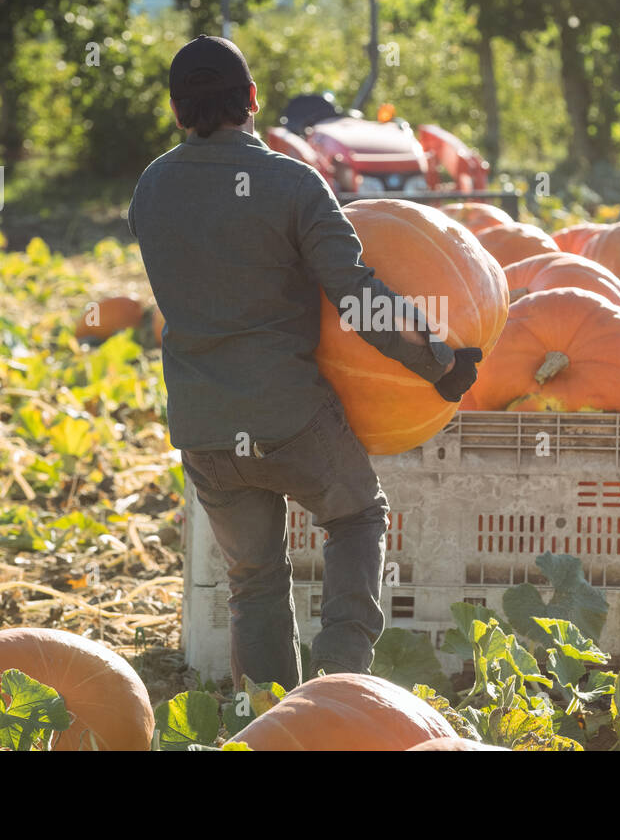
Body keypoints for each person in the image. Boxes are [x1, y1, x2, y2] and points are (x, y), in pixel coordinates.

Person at [128, 35, 482, 690]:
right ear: (254, 101)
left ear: (178, 113)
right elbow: (357, 297)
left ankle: (274, 720)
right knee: (356, 516)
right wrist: (440, 365)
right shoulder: (292, 183)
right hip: (289, 417)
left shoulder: (151, 188)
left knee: (254, 580)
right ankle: (340, 681)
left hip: (204, 428)